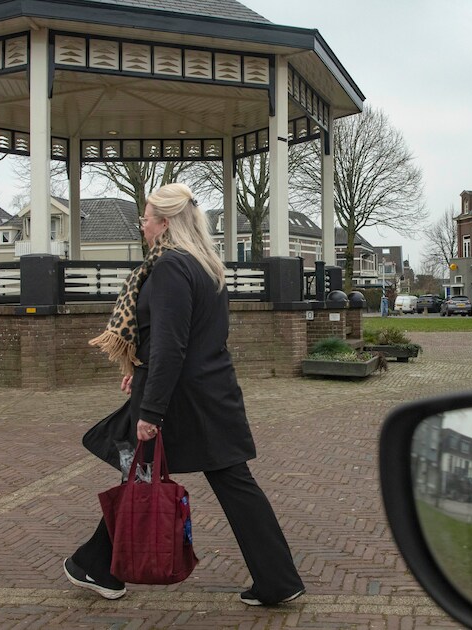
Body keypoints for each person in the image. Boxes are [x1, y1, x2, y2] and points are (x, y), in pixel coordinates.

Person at [68, 183, 305, 606]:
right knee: (212, 481)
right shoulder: (204, 264)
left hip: (178, 400)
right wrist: (141, 371)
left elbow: (171, 344)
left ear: (164, 222)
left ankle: (96, 564)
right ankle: (278, 578)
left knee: (144, 476)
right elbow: (185, 338)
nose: (141, 226)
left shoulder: (171, 267)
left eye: (145, 218)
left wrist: (151, 409)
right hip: (211, 391)